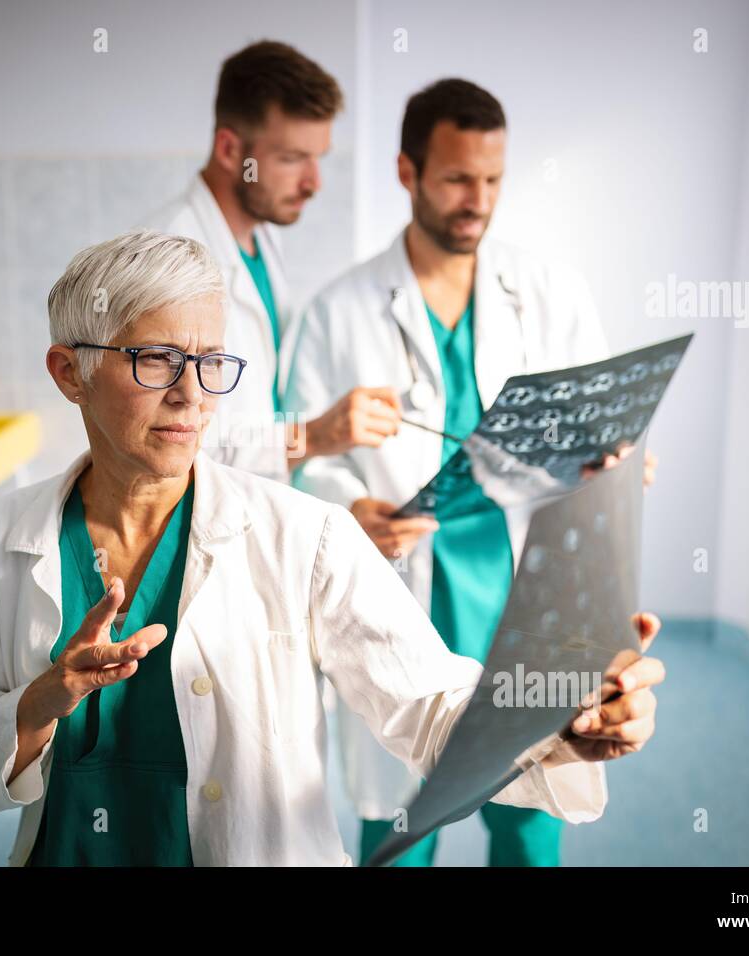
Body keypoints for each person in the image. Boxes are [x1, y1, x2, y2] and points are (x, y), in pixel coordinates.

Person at [0, 229, 666, 866]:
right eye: (154, 359)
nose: (192, 394)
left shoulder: (303, 537)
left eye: (210, 360)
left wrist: (560, 719)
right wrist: (45, 699)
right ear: (69, 373)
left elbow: (430, 706)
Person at [284, 79, 658, 867]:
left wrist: (614, 463)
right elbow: (303, 465)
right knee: (401, 822)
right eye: (456, 178)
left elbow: (598, 432)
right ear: (406, 171)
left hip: (526, 598)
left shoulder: (551, 295)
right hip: (403, 593)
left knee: (535, 807)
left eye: (491, 180)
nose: (476, 200)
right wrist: (351, 509)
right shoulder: (336, 311)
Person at [141, 40, 400, 483]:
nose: (313, 183)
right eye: (293, 158)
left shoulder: (260, 236)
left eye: (318, 158)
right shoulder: (167, 258)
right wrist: (315, 435)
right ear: (229, 151)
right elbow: (174, 444)